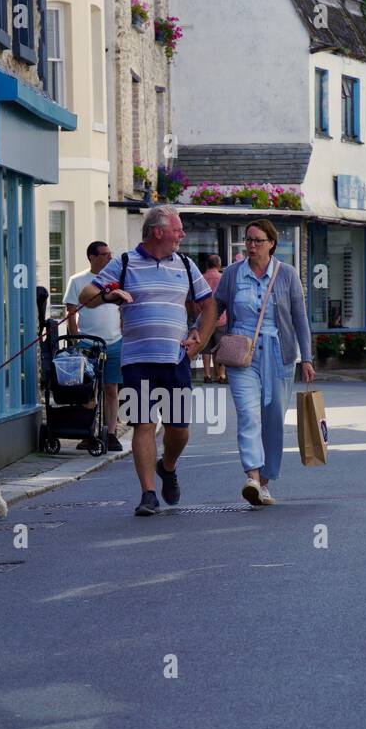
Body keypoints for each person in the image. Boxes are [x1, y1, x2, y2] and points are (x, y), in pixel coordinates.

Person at [79, 205, 217, 515]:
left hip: (175, 358)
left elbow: (209, 306)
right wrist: (110, 295)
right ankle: (148, 494)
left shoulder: (185, 264)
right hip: (137, 361)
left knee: (178, 430)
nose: (182, 234)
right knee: (143, 424)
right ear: (158, 231)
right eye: (177, 229)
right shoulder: (125, 263)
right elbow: (86, 295)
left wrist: (198, 339)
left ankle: (167, 466)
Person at [214, 219, 315, 506]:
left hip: (279, 354)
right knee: (248, 415)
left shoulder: (287, 275)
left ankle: (266, 483)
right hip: (242, 355)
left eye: (258, 240)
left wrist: (306, 358)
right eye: (248, 240)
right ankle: (253, 478)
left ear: (272, 243)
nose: (252, 245)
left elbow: (299, 319)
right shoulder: (232, 274)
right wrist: (197, 332)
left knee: (273, 420)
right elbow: (215, 307)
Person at [64, 241, 123, 452]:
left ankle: (112, 433)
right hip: (88, 343)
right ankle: (87, 432)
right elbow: (70, 312)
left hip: (115, 341)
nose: (109, 258)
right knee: (88, 390)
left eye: (110, 253)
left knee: (111, 389)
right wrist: (75, 340)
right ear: (92, 257)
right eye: (105, 254)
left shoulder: (117, 280)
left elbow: (124, 308)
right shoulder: (78, 280)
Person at [200, 254, 227, 383]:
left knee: (205, 348)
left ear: (207, 265)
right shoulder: (222, 278)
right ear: (218, 265)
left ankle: (207, 375)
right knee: (220, 347)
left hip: (204, 317)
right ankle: (220, 375)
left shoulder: (201, 278)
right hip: (220, 318)